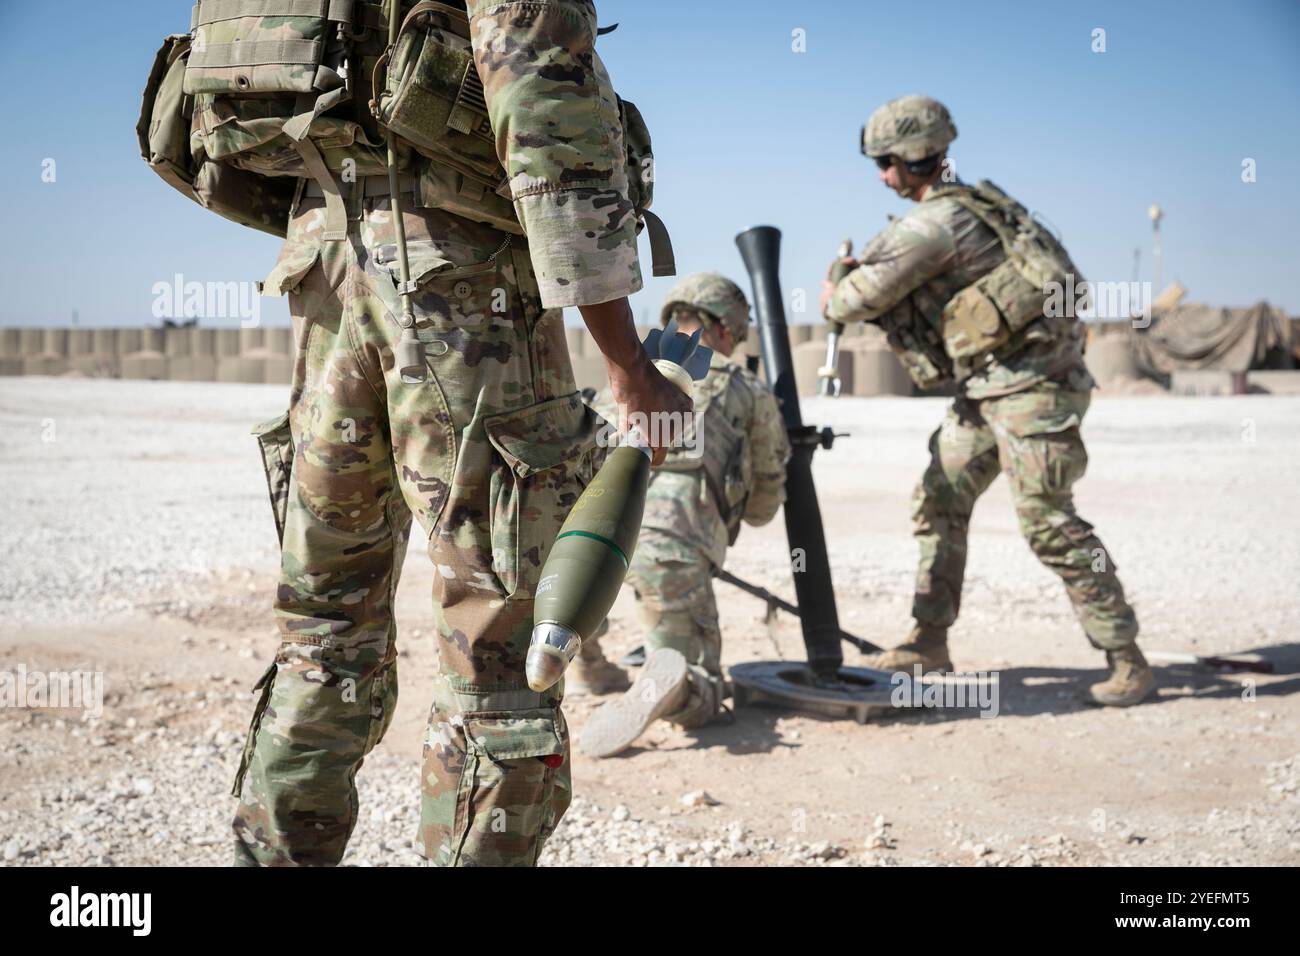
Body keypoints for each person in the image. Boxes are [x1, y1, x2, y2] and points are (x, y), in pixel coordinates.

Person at [229, 0, 689, 867]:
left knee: (323, 636)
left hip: (328, 276)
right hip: (465, 296)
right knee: (504, 650)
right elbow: (550, 127)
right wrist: (628, 363)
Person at [820, 95, 1153, 707]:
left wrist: (835, 284)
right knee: (939, 499)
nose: (881, 174)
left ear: (914, 158)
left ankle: (1126, 657)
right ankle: (929, 639)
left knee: (1050, 524)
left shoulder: (932, 225)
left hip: (1032, 392)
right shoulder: (980, 205)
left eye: (887, 161)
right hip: (988, 391)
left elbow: (848, 304)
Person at [576, 273, 791, 758]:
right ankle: (678, 690)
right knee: (702, 685)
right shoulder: (745, 389)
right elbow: (762, 506)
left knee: (584, 595)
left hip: (586, 536)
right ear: (723, 327)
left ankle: (588, 663)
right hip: (668, 547)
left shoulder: (624, 375)